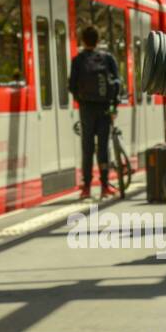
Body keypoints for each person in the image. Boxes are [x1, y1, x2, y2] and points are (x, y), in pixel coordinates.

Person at [68, 24, 120, 200]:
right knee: (103, 147)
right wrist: (113, 108)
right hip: (105, 108)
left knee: (87, 147)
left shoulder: (78, 60)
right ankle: (105, 186)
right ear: (98, 40)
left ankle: (87, 187)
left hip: (86, 109)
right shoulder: (107, 58)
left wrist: (82, 101)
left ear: (82, 41)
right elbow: (117, 84)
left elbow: (72, 86)